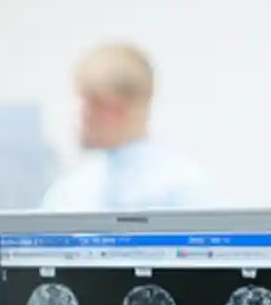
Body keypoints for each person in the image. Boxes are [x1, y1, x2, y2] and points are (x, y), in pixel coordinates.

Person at [42, 42, 211, 212]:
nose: (81, 116)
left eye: (87, 103)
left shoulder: (74, 192)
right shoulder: (189, 185)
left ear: (112, 109)